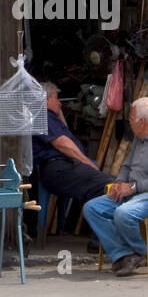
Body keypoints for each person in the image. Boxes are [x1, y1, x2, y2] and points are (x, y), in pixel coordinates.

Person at [82, 97, 148, 277]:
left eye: (131, 118)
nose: (129, 122)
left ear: (142, 122)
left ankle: (139, 252)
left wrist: (132, 187)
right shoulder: (141, 137)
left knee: (123, 213)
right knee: (92, 208)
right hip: (136, 193)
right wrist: (119, 183)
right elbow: (127, 166)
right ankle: (123, 254)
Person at [32, 82, 114, 239]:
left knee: (104, 183)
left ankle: (97, 236)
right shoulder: (41, 116)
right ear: (45, 100)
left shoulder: (51, 117)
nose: (60, 103)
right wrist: (87, 162)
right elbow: (63, 143)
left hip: (64, 166)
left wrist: (58, 111)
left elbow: (65, 132)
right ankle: (100, 239)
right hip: (57, 169)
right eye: (56, 98)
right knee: (108, 184)